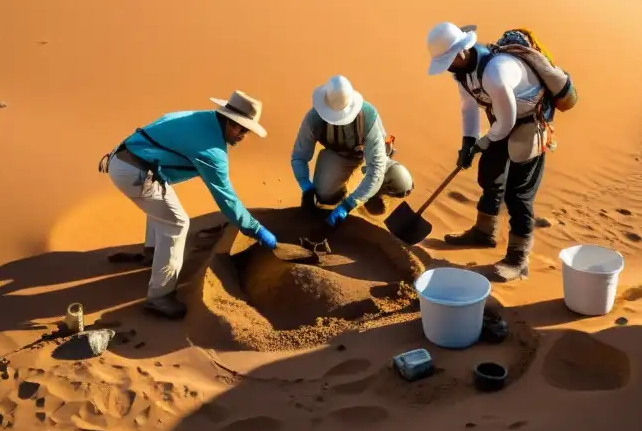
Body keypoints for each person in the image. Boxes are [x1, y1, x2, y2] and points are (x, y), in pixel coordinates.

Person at [98, 90, 278, 318]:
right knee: (177, 223)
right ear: (228, 121)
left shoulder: (197, 118)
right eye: (241, 128)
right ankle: (159, 297)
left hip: (124, 159)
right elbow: (227, 199)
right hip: (135, 172)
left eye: (247, 130)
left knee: (161, 202)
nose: (243, 135)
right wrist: (257, 230)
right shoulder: (212, 151)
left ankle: (153, 252)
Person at [425, 21, 576, 282]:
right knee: (490, 176)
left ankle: (518, 260)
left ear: (461, 53)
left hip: (529, 123)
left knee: (518, 194)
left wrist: (483, 143)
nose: (447, 67)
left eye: (448, 60)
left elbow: (507, 121)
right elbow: (468, 108)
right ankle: (484, 233)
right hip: (503, 121)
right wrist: (468, 143)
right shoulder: (463, 73)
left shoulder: (495, 73)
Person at [290, 75, 414, 225]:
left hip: (369, 155)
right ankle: (342, 191)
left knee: (402, 183)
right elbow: (299, 157)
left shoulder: (368, 116)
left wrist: (349, 205)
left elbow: (376, 168)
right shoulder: (313, 119)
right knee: (324, 194)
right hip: (339, 155)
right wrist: (306, 186)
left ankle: (373, 192)